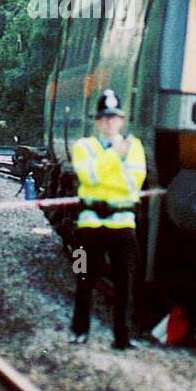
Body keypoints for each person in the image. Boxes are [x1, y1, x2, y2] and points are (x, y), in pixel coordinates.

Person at [69, 88, 146, 350]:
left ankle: (122, 338)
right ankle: (79, 330)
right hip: (90, 224)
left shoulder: (134, 147)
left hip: (122, 224)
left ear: (121, 120)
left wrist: (106, 168)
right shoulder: (82, 146)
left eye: (114, 118)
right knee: (83, 279)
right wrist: (115, 156)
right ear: (96, 121)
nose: (109, 123)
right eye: (104, 118)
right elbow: (88, 177)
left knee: (125, 285)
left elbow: (133, 181)